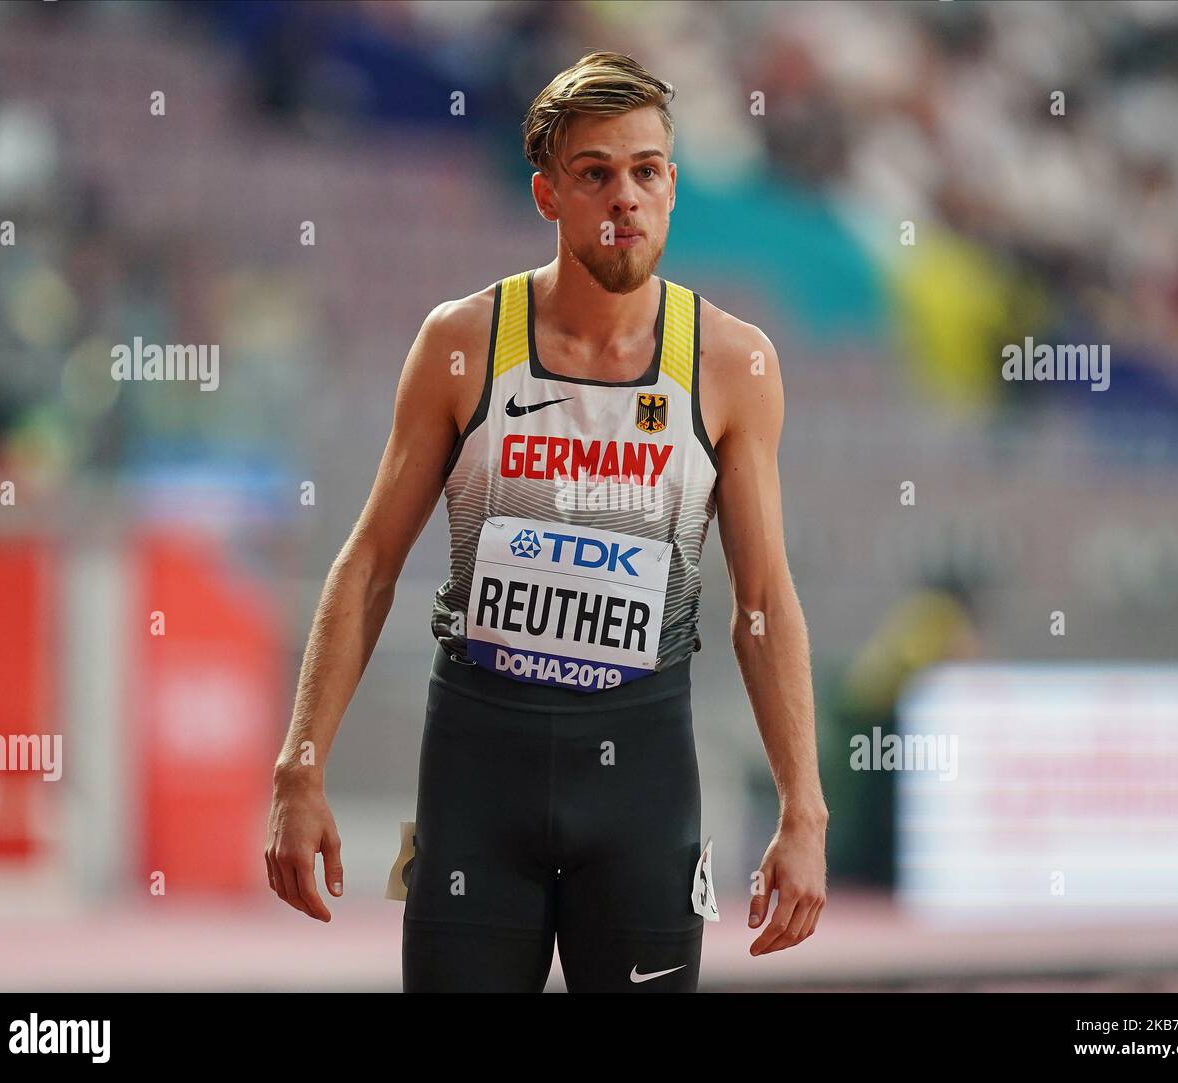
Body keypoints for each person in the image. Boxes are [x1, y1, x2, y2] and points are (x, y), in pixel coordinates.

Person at [265, 50, 826, 993]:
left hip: (641, 775)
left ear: (675, 186)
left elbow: (763, 601)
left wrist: (803, 812)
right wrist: (298, 767)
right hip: (480, 771)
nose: (625, 198)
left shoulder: (732, 362)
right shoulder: (463, 344)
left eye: (647, 171)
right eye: (594, 173)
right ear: (545, 195)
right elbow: (369, 564)